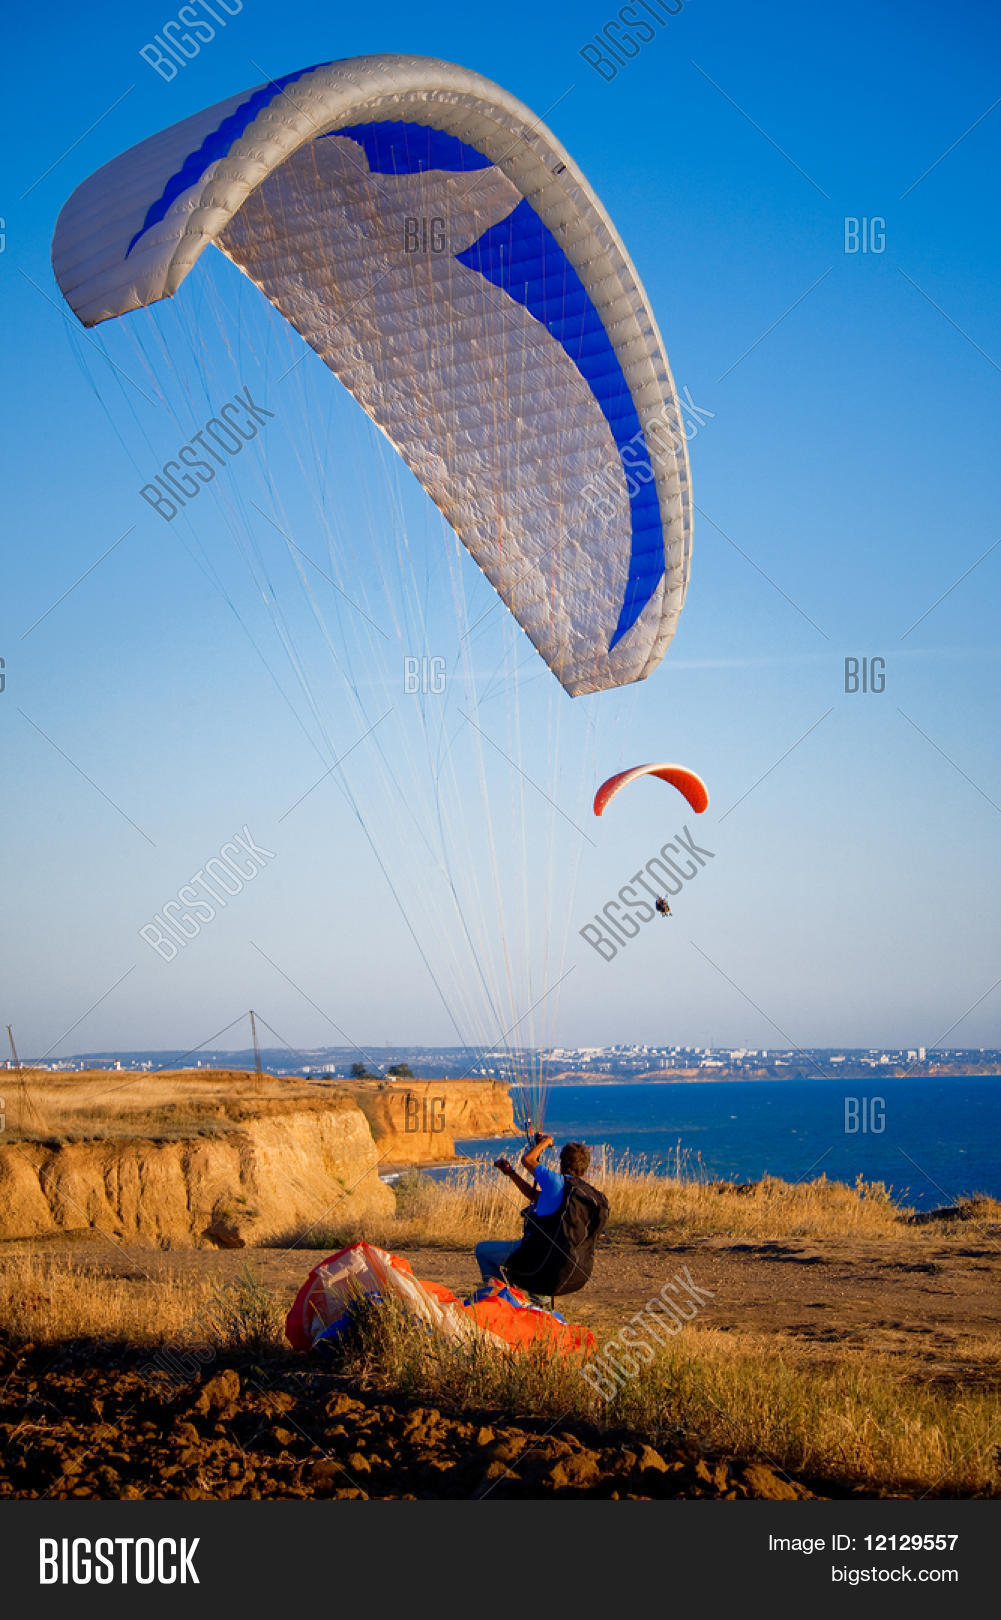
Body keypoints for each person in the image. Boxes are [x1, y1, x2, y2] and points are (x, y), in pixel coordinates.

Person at [475, 1132, 609, 1309]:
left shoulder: (556, 1182)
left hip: (541, 1264)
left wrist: (545, 1142)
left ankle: (505, 1305)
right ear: (585, 1167)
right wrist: (511, 1174)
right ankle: (541, 1305)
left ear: (562, 1163)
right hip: (574, 1272)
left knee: (483, 1251)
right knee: (544, 1253)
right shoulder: (583, 1194)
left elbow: (528, 1160)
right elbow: (533, 1195)